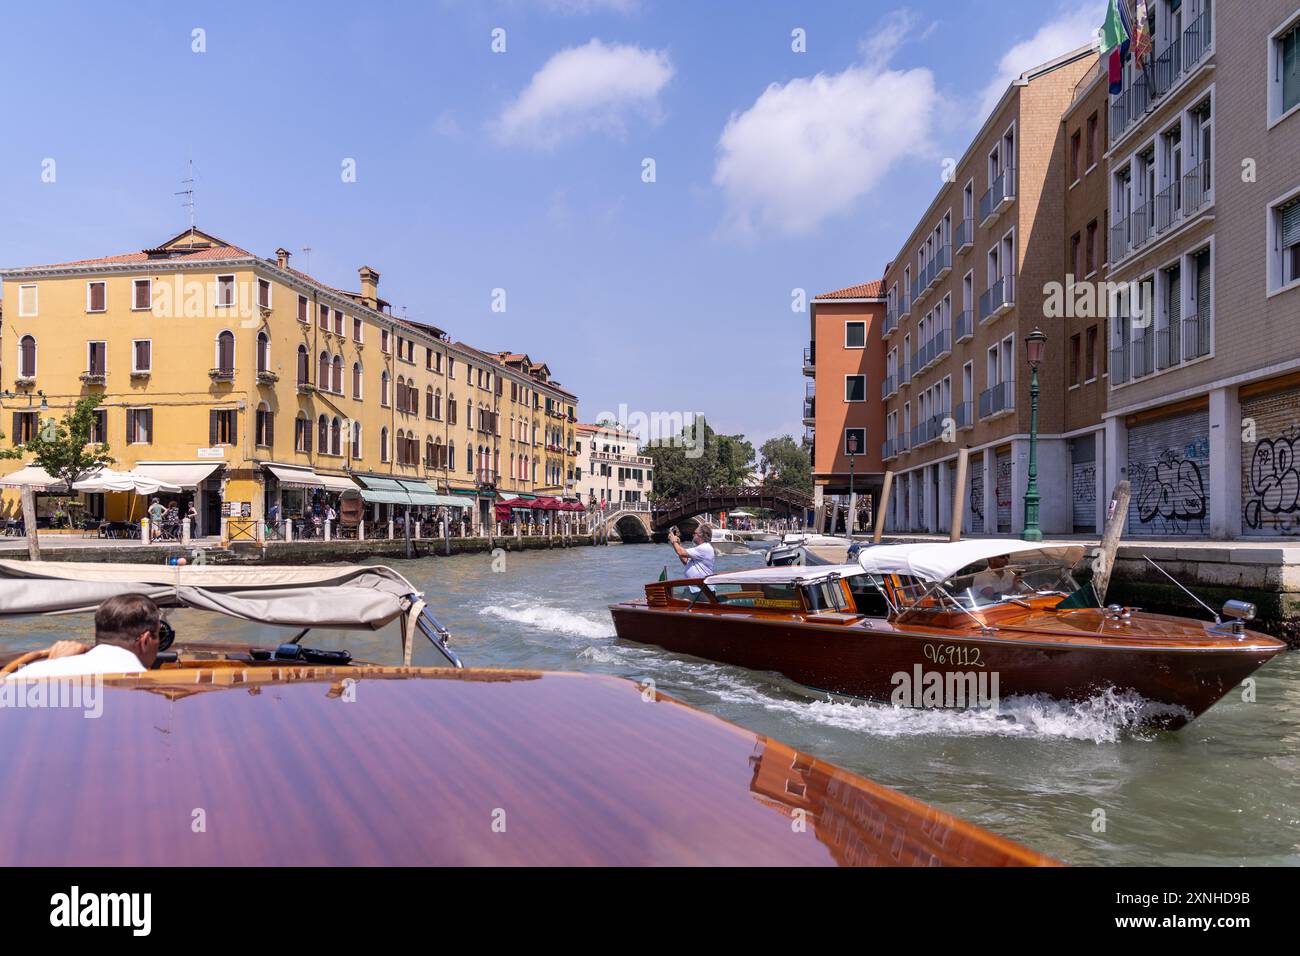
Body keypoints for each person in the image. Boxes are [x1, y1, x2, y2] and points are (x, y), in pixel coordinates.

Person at [12, 594, 162, 677]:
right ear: (145, 641)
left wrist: (54, 665)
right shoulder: (157, 691)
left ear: (97, 633)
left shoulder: (29, 676)